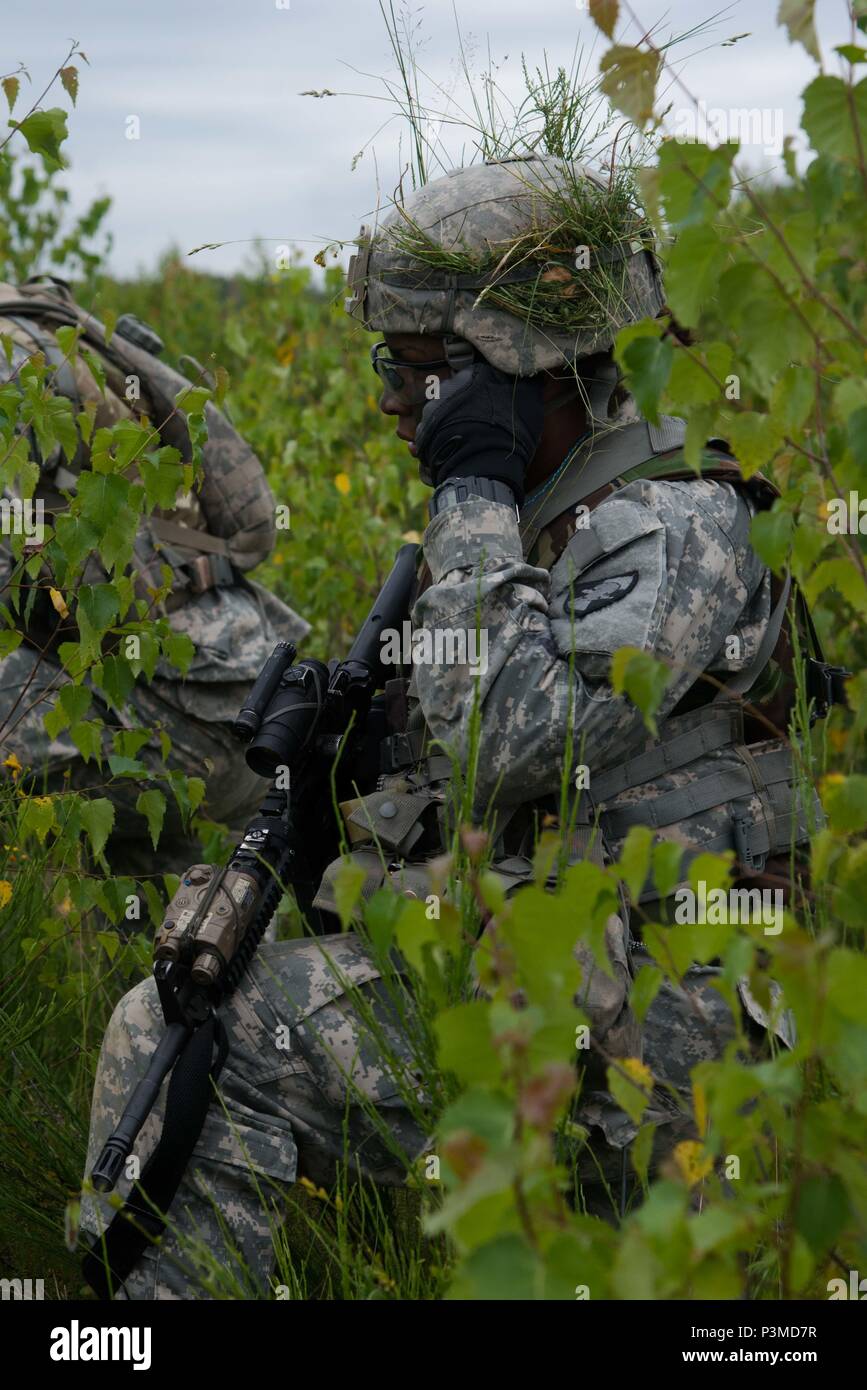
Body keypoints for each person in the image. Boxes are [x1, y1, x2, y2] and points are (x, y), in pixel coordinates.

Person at [80, 156, 828, 1299]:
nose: (390, 398)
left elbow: (512, 740)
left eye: (420, 370)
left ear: (522, 373)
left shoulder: (680, 523)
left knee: (194, 1048)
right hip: (575, 990)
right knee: (195, 993)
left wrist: (470, 500)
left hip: (675, 1061)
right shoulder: (565, 516)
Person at [0, 275, 308, 877]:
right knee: (165, 921)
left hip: (184, 695)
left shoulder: (10, 362)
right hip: (212, 669)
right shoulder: (25, 317)